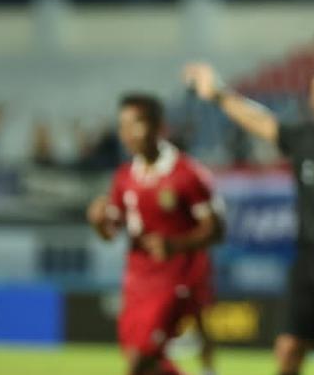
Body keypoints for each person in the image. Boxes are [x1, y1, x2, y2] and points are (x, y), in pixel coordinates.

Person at [183, 61, 314, 375]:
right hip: (307, 262)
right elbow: (261, 121)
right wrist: (219, 94)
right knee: (288, 349)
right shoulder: (306, 138)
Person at [87, 93, 224, 375]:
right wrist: (98, 222)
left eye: (134, 124)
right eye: (122, 125)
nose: (126, 133)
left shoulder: (185, 173)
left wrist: (174, 245)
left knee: (140, 361)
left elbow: (216, 230)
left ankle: (207, 365)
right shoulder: (125, 176)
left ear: (157, 126)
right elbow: (112, 231)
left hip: (174, 279)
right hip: (137, 280)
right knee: (146, 364)